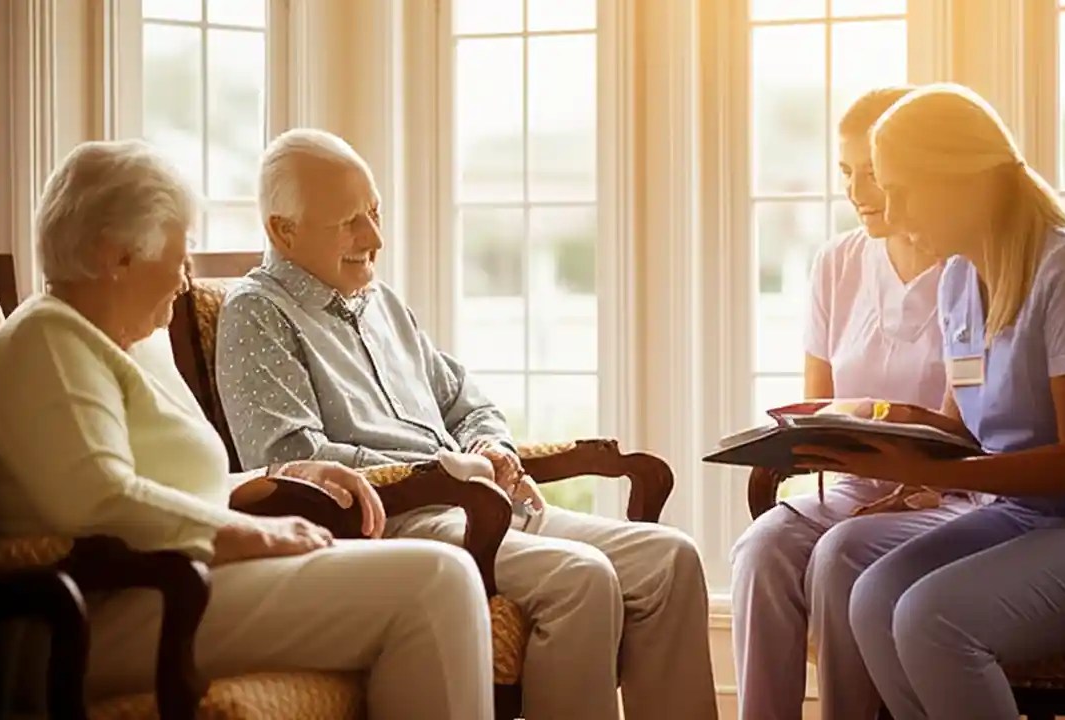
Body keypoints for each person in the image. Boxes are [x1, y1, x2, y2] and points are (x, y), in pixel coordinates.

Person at [0, 140, 495, 720]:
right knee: (435, 581)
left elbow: (170, 485)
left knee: (439, 582)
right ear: (115, 257)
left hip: (175, 584)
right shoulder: (46, 343)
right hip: (102, 610)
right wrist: (252, 534)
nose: (186, 281)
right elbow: (102, 501)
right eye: (179, 259)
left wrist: (275, 475)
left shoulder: (132, 344)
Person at [215, 128, 717, 720]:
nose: (374, 238)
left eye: (374, 213)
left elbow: (466, 401)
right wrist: (443, 471)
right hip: (393, 524)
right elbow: (297, 462)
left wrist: (490, 445)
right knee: (581, 578)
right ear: (283, 230)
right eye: (349, 221)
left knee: (671, 560)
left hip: (477, 502)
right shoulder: (256, 314)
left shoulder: (382, 305)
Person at [792, 83, 1065, 720]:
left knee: (931, 619)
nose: (891, 205)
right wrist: (881, 432)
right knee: (873, 596)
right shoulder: (961, 277)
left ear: (966, 180)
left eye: (903, 186)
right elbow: (962, 428)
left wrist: (932, 472)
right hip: (1030, 516)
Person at [729, 87, 980, 720]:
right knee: (763, 547)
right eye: (846, 172)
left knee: (842, 554)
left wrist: (912, 477)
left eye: (872, 173)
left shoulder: (969, 266)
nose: (857, 190)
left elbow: (962, 432)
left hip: (950, 494)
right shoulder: (836, 262)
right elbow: (820, 405)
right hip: (850, 486)